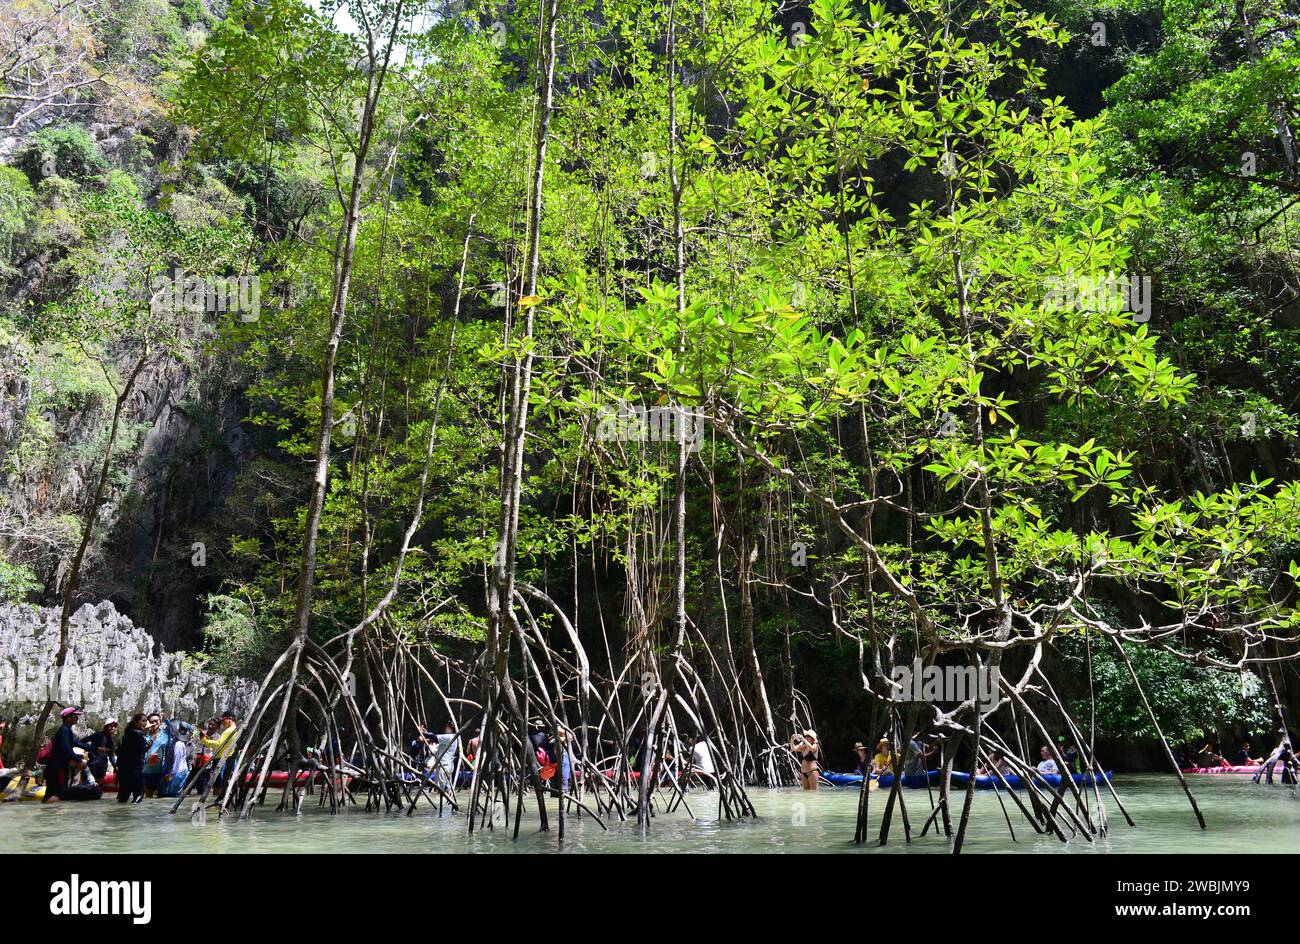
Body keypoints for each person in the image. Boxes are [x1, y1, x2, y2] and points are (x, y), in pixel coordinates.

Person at [43, 707, 94, 802]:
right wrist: (79, 761)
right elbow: (66, 749)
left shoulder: (66, 730)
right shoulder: (64, 730)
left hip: (54, 768)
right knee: (60, 793)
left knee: (50, 794)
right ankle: (51, 815)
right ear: (68, 717)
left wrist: (96, 748)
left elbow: (77, 743)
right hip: (58, 768)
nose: (77, 718)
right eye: (75, 716)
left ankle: (44, 814)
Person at [195, 710, 238, 796]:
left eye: (223, 720)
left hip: (221, 760)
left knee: (217, 786)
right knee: (220, 784)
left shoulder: (229, 731)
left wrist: (204, 740)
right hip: (226, 759)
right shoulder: (234, 730)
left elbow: (218, 745)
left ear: (230, 719)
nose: (222, 722)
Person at [115, 714, 149, 803]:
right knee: (139, 793)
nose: (145, 723)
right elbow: (144, 748)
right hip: (134, 769)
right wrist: (152, 739)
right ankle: (134, 811)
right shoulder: (137, 733)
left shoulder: (128, 733)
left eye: (146, 721)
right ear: (136, 722)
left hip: (125, 769)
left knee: (124, 794)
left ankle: (120, 813)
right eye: (143, 721)